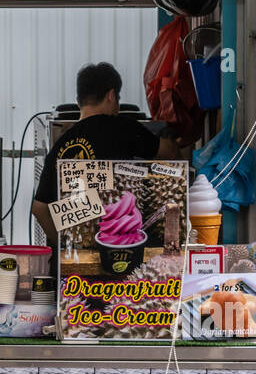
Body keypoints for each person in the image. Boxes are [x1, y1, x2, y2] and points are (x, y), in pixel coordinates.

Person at [31, 61, 182, 243]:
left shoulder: (61, 144)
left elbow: (39, 208)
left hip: (78, 255)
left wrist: (65, 245)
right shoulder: (122, 128)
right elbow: (169, 152)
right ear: (111, 95)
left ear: (79, 101)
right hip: (123, 244)